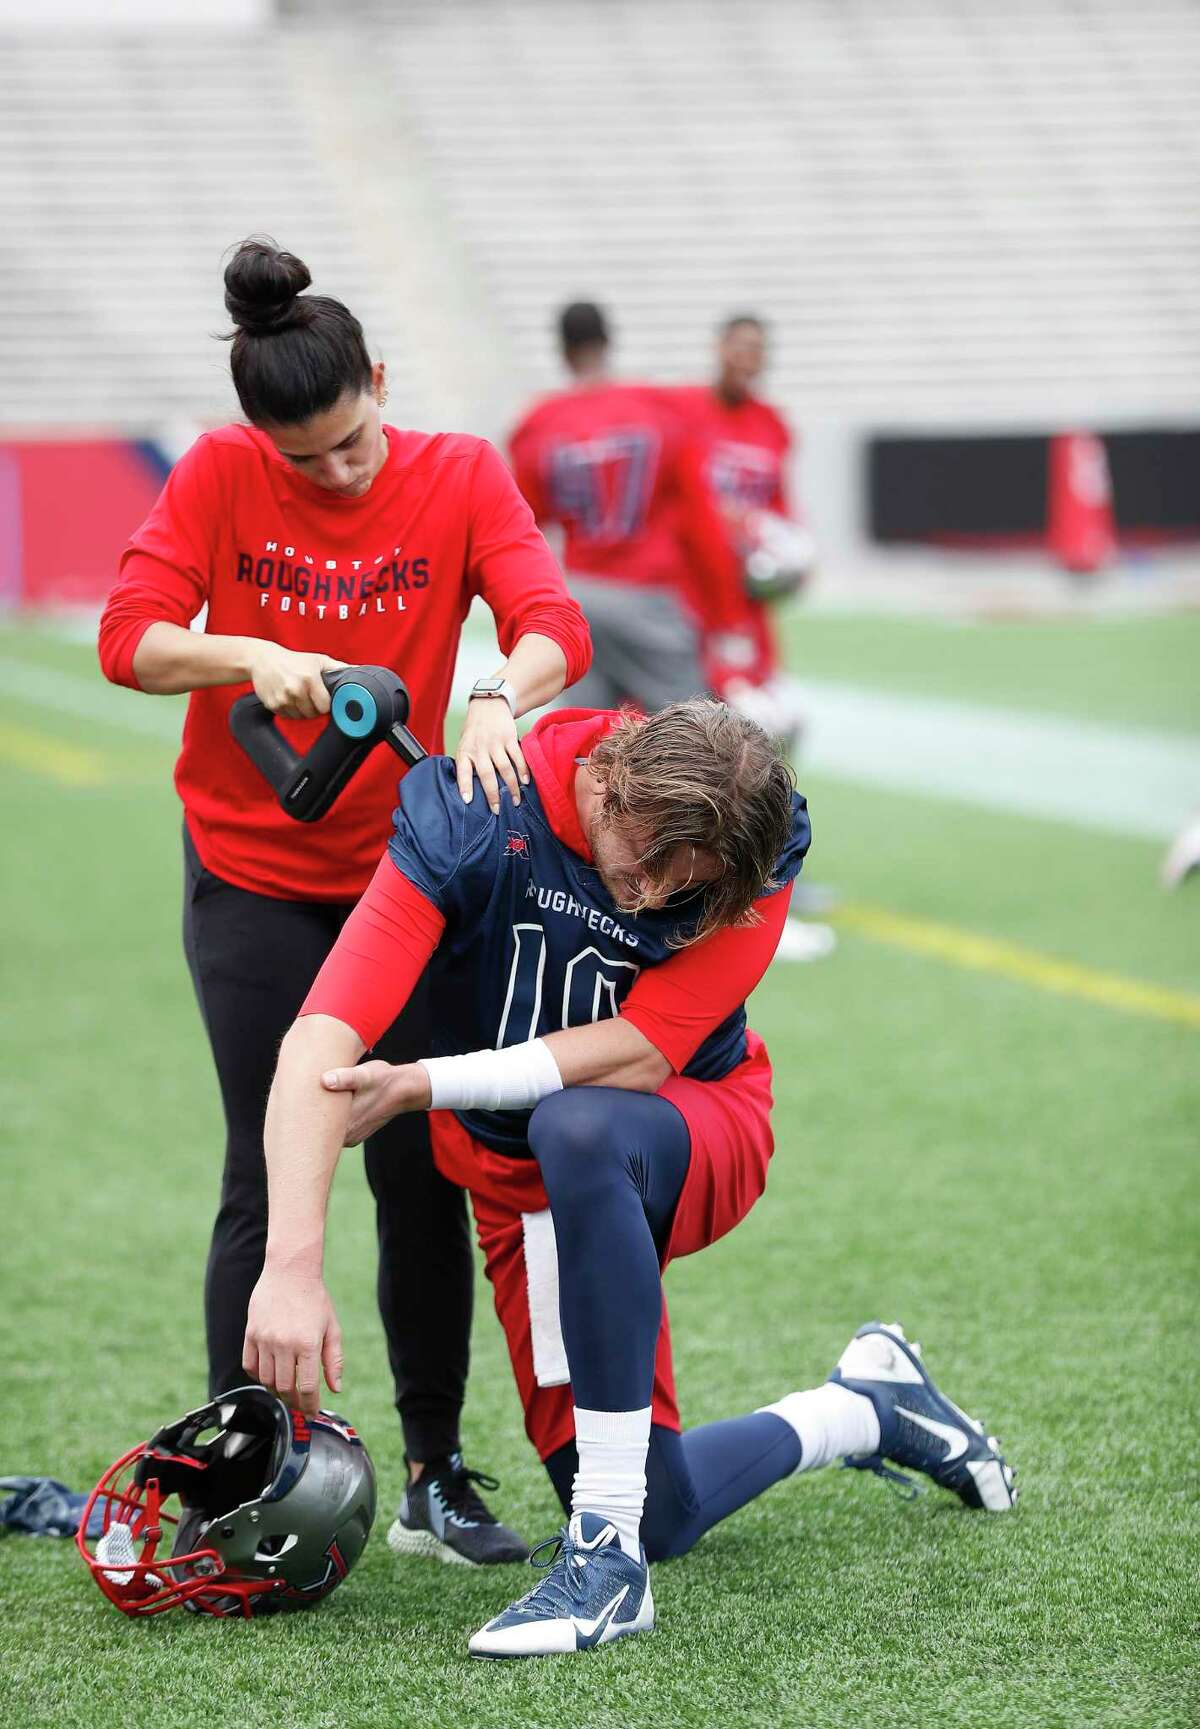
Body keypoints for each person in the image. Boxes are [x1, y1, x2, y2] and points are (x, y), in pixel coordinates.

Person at [241, 698, 1017, 1658]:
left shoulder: (760, 836)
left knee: (577, 1123)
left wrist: (421, 1083)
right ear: (607, 775)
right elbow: (320, 1038)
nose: (649, 897)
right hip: (518, 1174)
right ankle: (864, 1404)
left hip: (695, 1123)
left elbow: (642, 1054)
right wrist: (290, 1264)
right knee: (664, 1503)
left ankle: (605, 1562)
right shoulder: (482, 811)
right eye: (639, 857)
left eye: (678, 883)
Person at [96, 237, 592, 1567]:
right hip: (252, 880)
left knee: (421, 1168)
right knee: (266, 1173)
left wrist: (496, 686)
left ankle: (435, 1470)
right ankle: (236, 1478)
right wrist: (251, 646)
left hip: (411, 887)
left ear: (379, 380)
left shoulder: (461, 473)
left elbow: (556, 622)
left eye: (350, 445)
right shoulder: (215, 475)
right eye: (302, 459)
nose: (332, 474)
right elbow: (127, 637)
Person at [509, 302, 706, 712]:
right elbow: (698, 517)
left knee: (591, 739)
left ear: (563, 351)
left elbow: (524, 523)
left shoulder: (537, 423)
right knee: (691, 740)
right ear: (609, 341)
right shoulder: (660, 409)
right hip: (648, 592)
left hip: (583, 593)